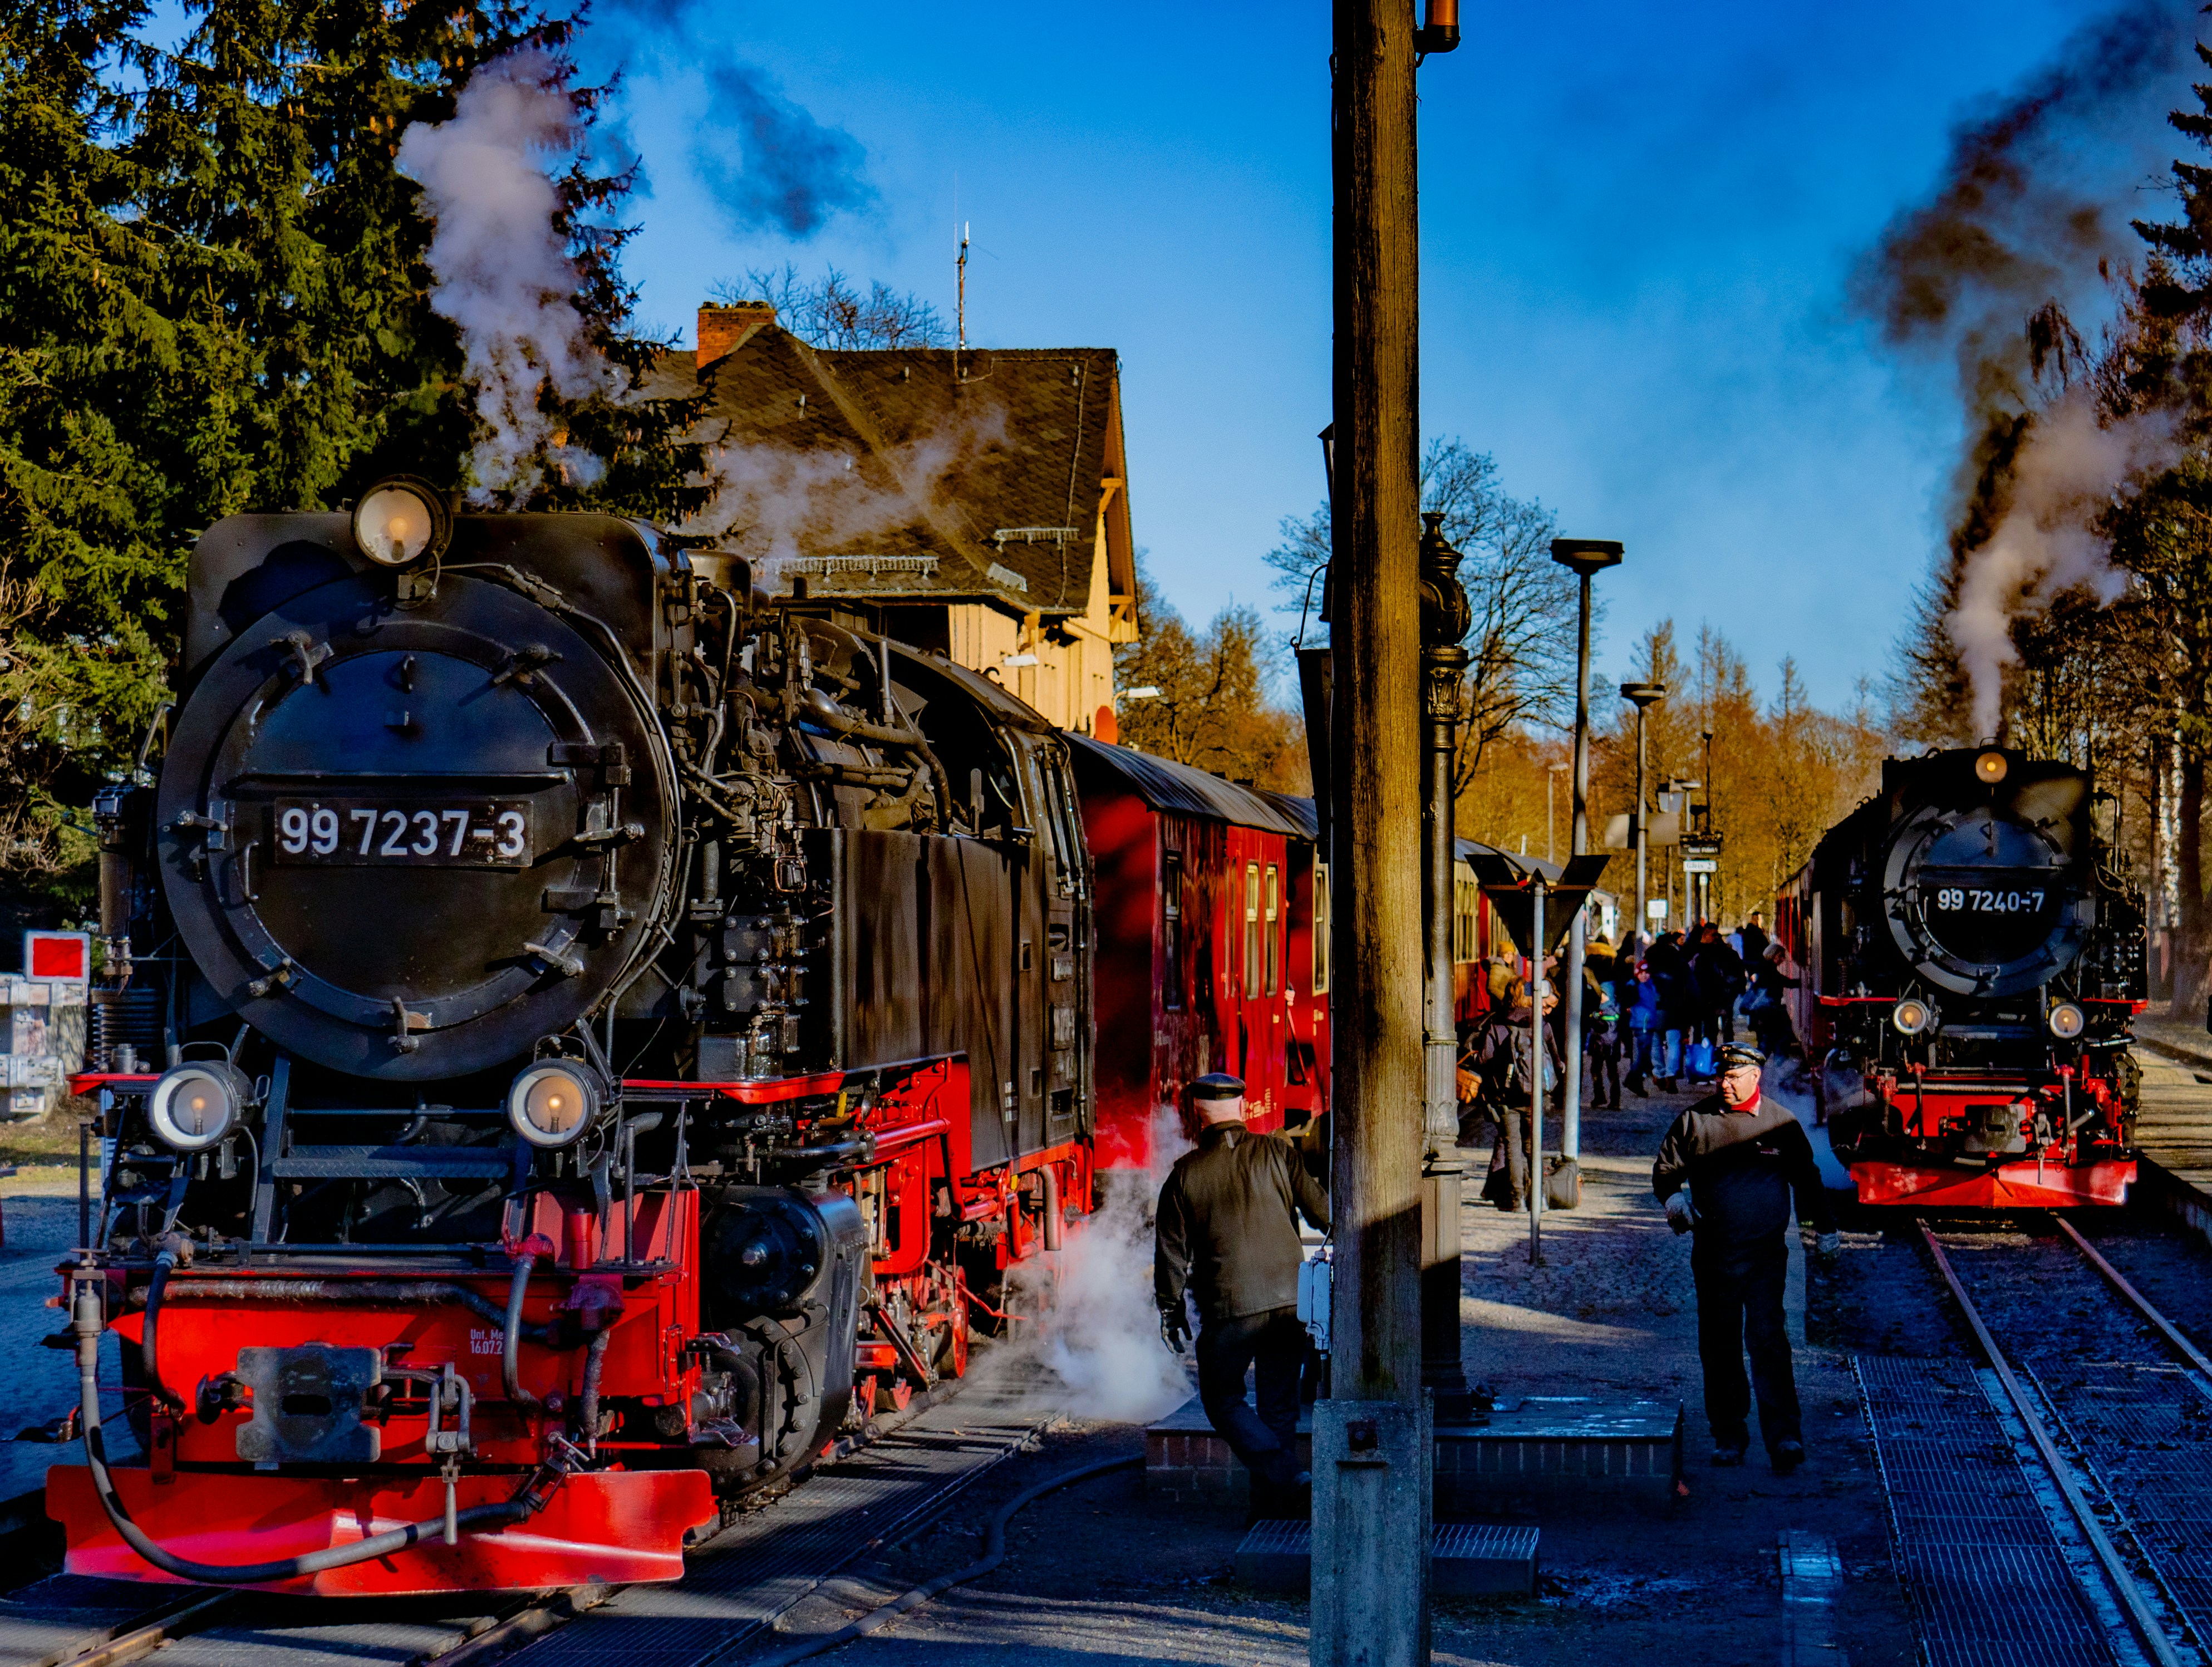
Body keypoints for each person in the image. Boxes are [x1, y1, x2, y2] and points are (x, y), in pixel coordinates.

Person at [1651, 1044, 1839, 1472]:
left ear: (1756, 1076)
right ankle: (1729, 1436)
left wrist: (1826, 1228)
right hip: (1715, 1255)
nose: (1725, 1083)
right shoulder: (1696, 1121)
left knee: (1769, 1342)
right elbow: (1666, 1171)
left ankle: (1785, 1436)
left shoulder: (1780, 1124)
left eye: (1735, 1076)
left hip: (1765, 1257)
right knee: (1719, 1347)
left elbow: (1807, 1180)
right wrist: (1674, 1199)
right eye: (1722, 1075)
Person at [1156, 1073, 1331, 1508]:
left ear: (1197, 1113)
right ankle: (1277, 1508)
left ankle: (1286, 1477)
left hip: (1229, 1307)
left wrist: (1170, 1311)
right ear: (1243, 1106)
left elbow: (1171, 1254)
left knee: (1221, 1397)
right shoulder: (1277, 1151)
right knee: (1279, 1406)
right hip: (1292, 1300)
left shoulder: (1185, 1175)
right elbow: (1324, 1212)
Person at [1468, 977, 1564, 1209]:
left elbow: (1485, 1059)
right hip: (1536, 1096)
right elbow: (1556, 1061)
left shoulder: (1497, 1023)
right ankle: (1539, 1198)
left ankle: (1517, 1198)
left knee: (1513, 1146)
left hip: (1507, 1095)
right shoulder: (1542, 1024)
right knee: (1534, 1146)